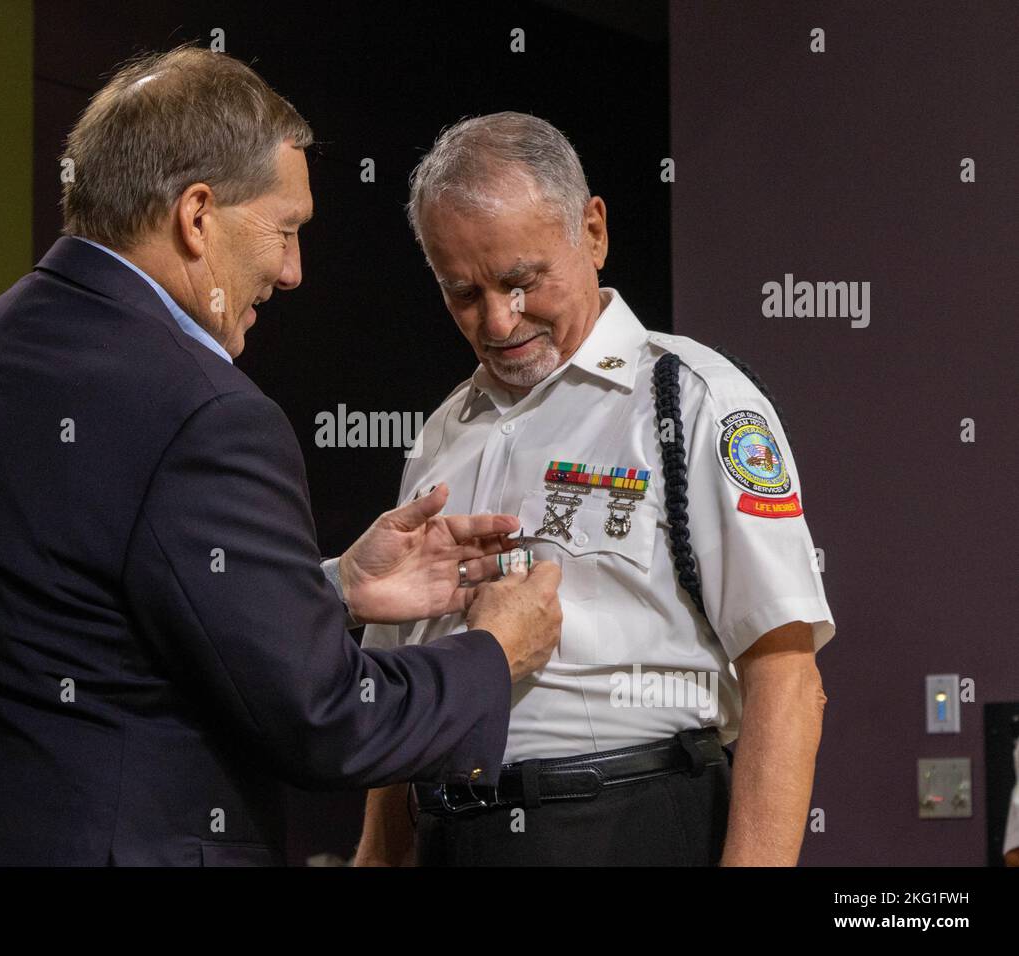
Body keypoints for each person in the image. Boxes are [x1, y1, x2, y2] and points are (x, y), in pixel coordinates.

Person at [0, 48, 562, 866]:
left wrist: (331, 589)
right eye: (286, 228)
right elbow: (324, 719)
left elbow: (85, 618)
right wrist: (492, 652)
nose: (293, 272)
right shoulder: (207, 410)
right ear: (197, 216)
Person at [355, 112, 835, 867]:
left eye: (521, 280)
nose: (498, 319)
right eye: (462, 292)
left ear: (594, 231)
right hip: (452, 835)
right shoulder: (442, 432)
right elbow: (402, 670)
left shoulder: (695, 401)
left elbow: (787, 679)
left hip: (630, 826)